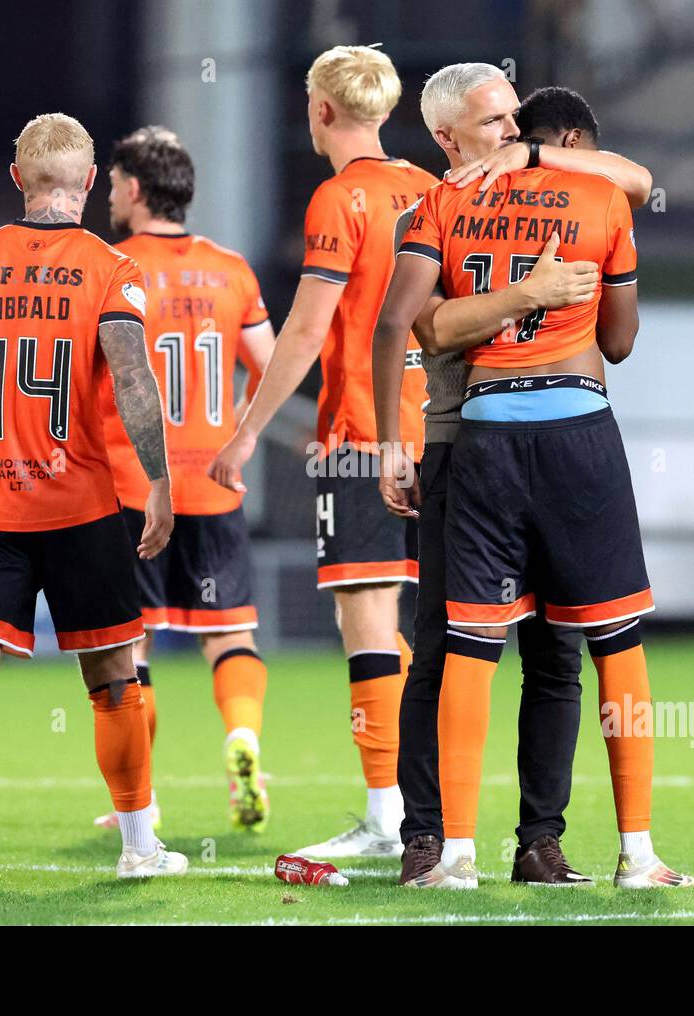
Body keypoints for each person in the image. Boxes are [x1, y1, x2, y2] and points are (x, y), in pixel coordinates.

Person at [374, 69, 694, 889]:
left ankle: (457, 851)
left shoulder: (441, 206)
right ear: (449, 136)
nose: (510, 131)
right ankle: (637, 852)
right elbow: (620, 339)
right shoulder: (599, 201)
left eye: (517, 121)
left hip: (477, 432)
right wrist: (540, 294)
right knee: (610, 642)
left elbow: (416, 325)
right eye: (495, 121)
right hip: (570, 432)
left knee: (470, 648)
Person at [0, 112, 184, 883]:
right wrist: (158, 481)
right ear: (89, 182)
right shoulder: (110, 267)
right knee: (115, 678)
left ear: (16, 177)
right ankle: (137, 847)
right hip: (82, 508)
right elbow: (132, 380)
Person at [208, 45, 436, 858]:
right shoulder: (432, 188)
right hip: (440, 433)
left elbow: (305, 331)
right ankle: (433, 811)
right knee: (440, 630)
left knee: (366, 619)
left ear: (322, 111)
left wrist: (242, 435)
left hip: (362, 440)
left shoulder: (339, 200)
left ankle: (390, 817)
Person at [91, 126, 276, 834]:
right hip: (214, 483)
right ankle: (244, 739)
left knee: (129, 647)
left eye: (112, 184)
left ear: (136, 190)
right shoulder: (230, 269)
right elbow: (267, 364)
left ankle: (140, 803)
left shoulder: (109, 266)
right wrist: (242, 435)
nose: (109, 195)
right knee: (230, 636)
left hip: (135, 489)